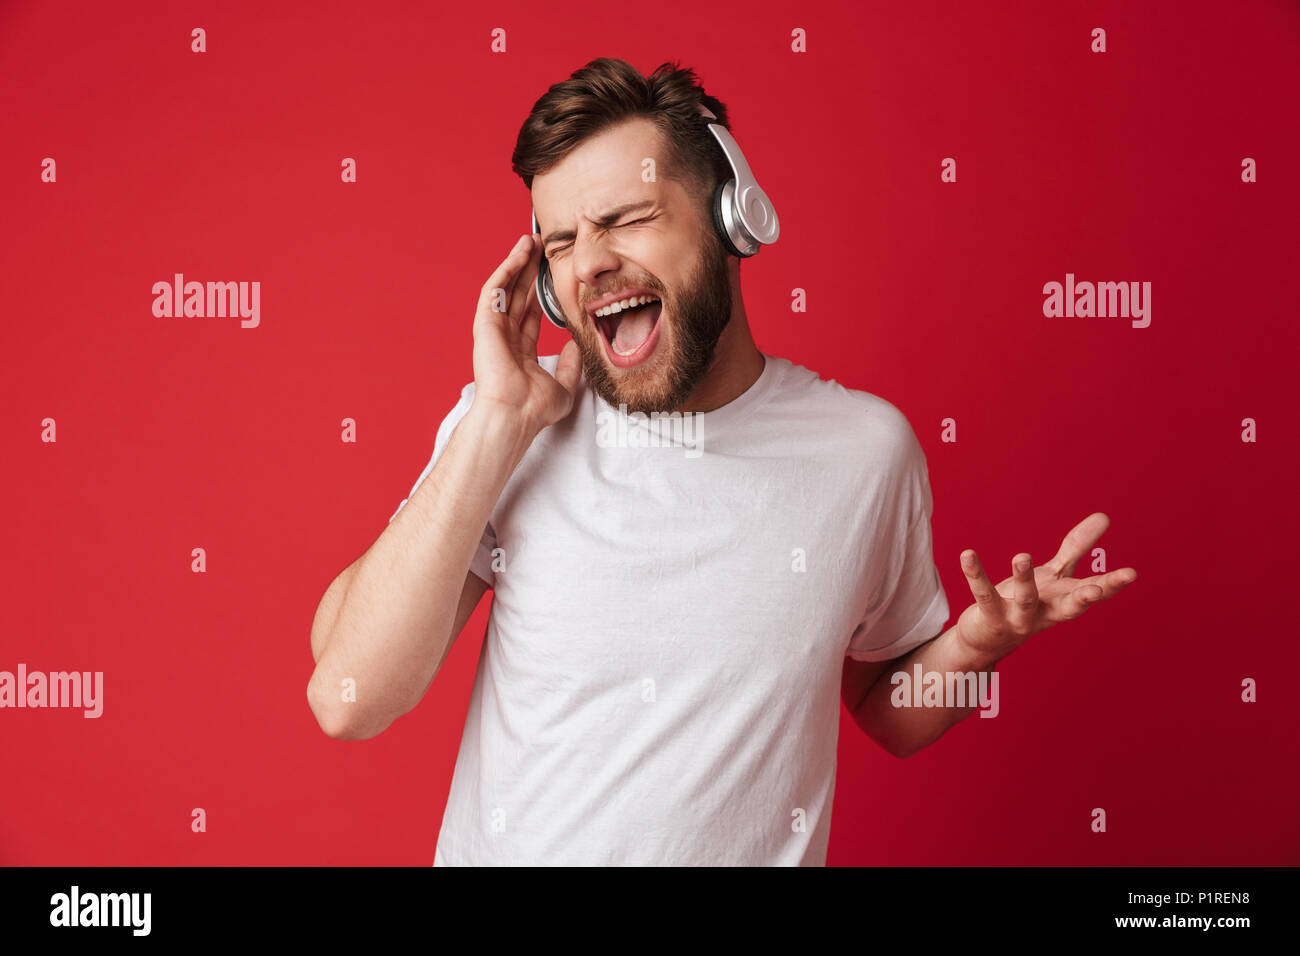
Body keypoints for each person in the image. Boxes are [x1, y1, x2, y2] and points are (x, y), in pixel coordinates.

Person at [306, 58, 1137, 866]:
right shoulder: (510, 429)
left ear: (734, 218)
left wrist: (977, 648)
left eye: (626, 218)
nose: (589, 260)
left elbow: (890, 714)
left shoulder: (864, 452)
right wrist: (495, 424)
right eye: (560, 241)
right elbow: (349, 700)